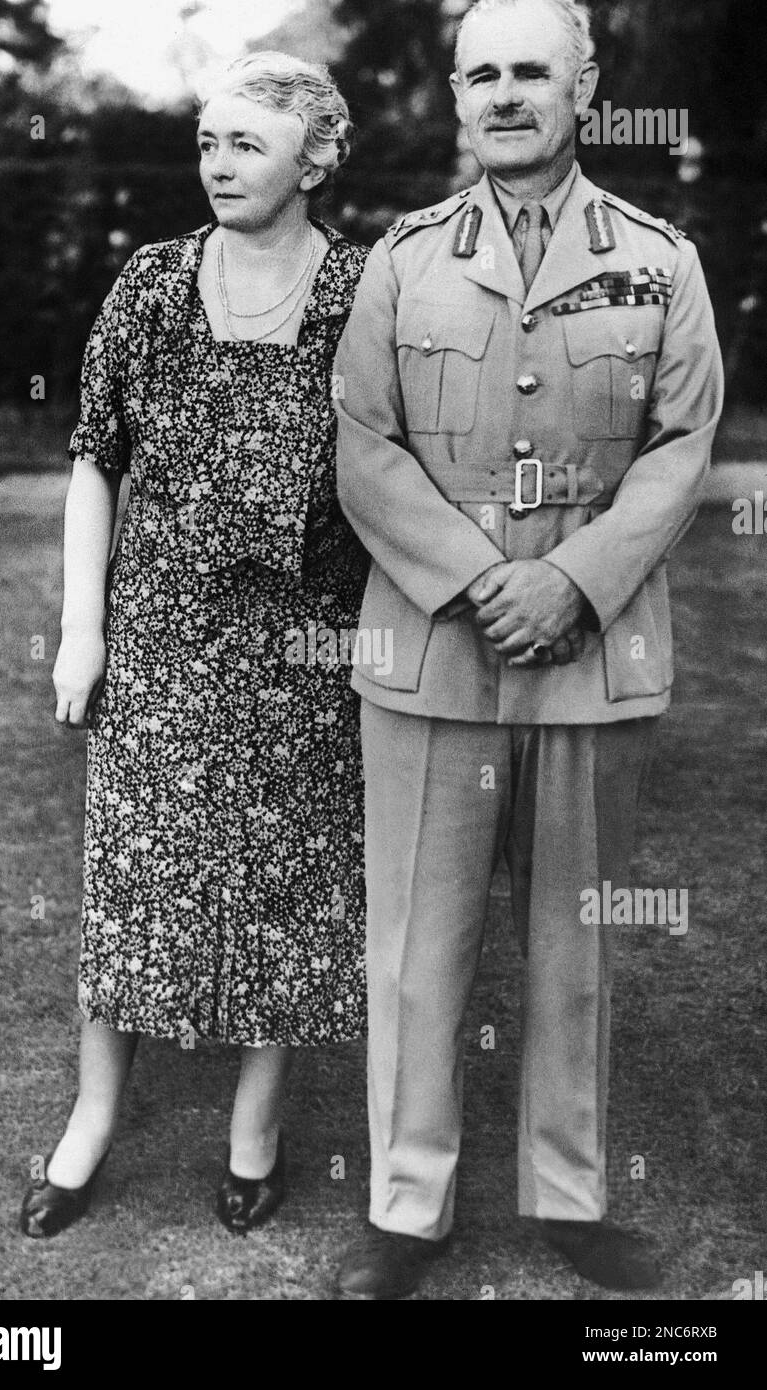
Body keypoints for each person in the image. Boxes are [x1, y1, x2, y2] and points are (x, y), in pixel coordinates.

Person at [334, 0, 723, 1299]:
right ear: (456, 93)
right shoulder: (400, 259)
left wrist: (571, 581)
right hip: (431, 656)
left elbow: (680, 446)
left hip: (587, 655)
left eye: (531, 72)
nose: (506, 94)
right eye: (482, 73)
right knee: (416, 940)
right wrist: (477, 579)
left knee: (573, 939)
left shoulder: (662, 261)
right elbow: (363, 444)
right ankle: (406, 1202)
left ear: (585, 86)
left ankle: (567, 1192)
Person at [20, 52, 369, 1241]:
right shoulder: (153, 284)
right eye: (208, 142)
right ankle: (90, 1120)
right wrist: (83, 632)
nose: (218, 164)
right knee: (133, 885)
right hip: (159, 642)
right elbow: (92, 462)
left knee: (289, 887)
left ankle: (255, 1127)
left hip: (304, 649)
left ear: (314, 158)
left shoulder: (361, 292)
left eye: (247, 145)